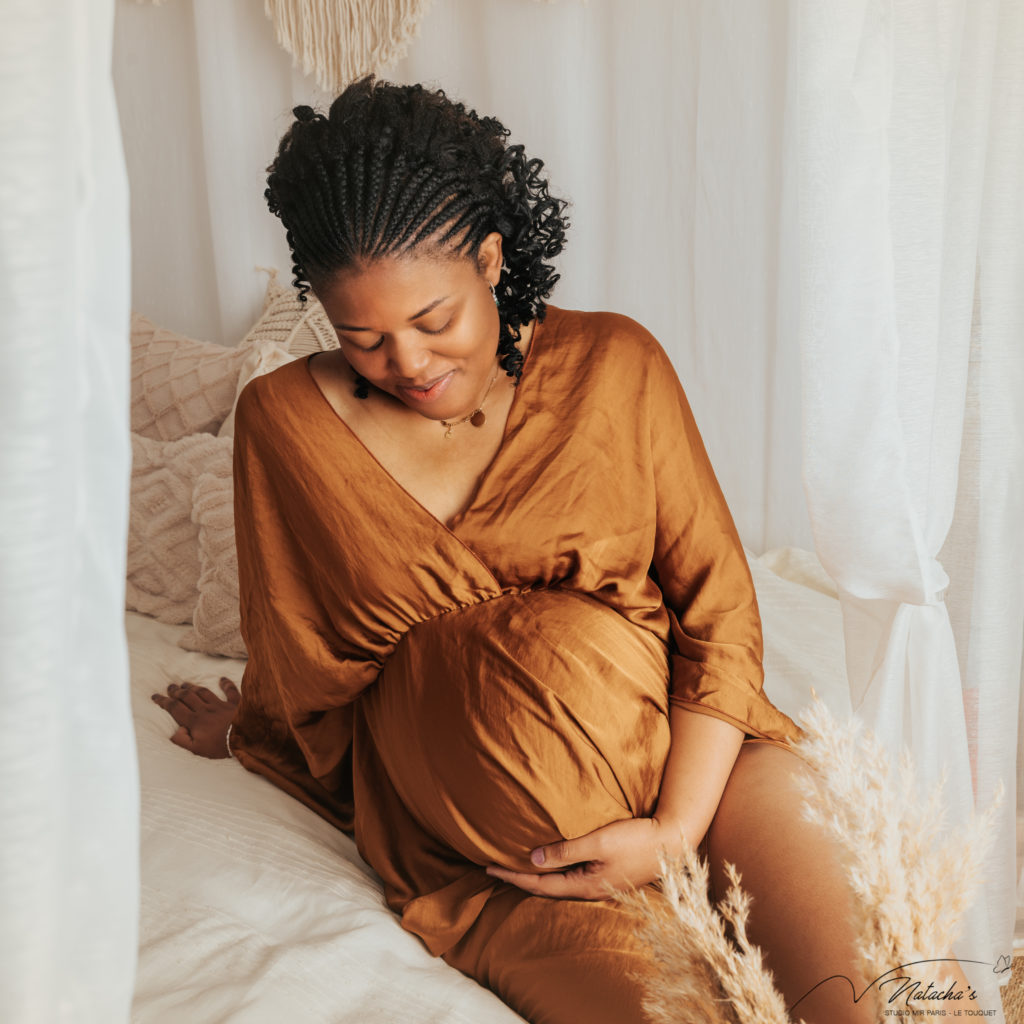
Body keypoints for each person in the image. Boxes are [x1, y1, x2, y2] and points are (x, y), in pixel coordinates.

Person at [152, 78, 881, 1024]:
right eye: (362, 337)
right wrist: (252, 733)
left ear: (491, 259)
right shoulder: (284, 423)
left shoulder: (617, 366)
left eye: (432, 321)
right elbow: (301, 655)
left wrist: (673, 831)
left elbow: (720, 617)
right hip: (503, 875)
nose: (407, 364)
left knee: (864, 1004)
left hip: (707, 777)